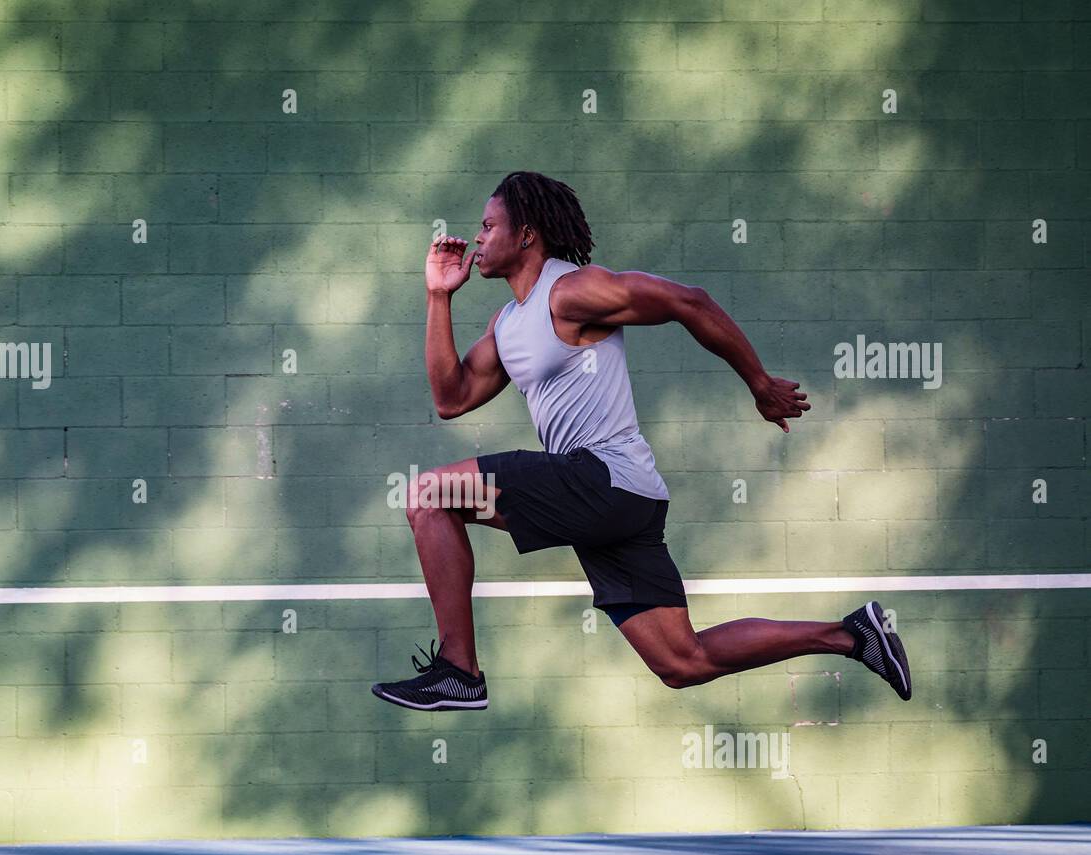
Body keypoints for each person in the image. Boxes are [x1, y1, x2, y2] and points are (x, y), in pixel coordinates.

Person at [371, 171, 911, 712]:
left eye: (489, 226)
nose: (479, 238)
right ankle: (853, 635)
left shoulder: (574, 291)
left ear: (528, 234)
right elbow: (452, 397)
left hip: (601, 480)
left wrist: (760, 384)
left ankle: (459, 670)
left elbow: (689, 302)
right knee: (683, 662)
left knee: (429, 496)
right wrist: (437, 297)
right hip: (619, 499)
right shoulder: (507, 323)